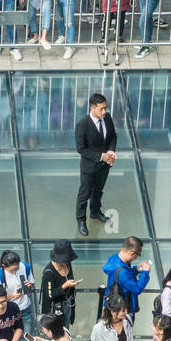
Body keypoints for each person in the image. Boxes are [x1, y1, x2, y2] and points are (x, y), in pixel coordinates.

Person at [73, 94, 117, 237]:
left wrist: (110, 151)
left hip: (104, 165)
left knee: (98, 190)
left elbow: (113, 136)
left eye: (105, 108)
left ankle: (95, 212)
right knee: (84, 194)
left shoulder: (108, 118)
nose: (104, 112)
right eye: (101, 109)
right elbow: (81, 149)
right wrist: (100, 156)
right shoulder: (82, 125)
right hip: (89, 166)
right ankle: (81, 221)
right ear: (92, 108)